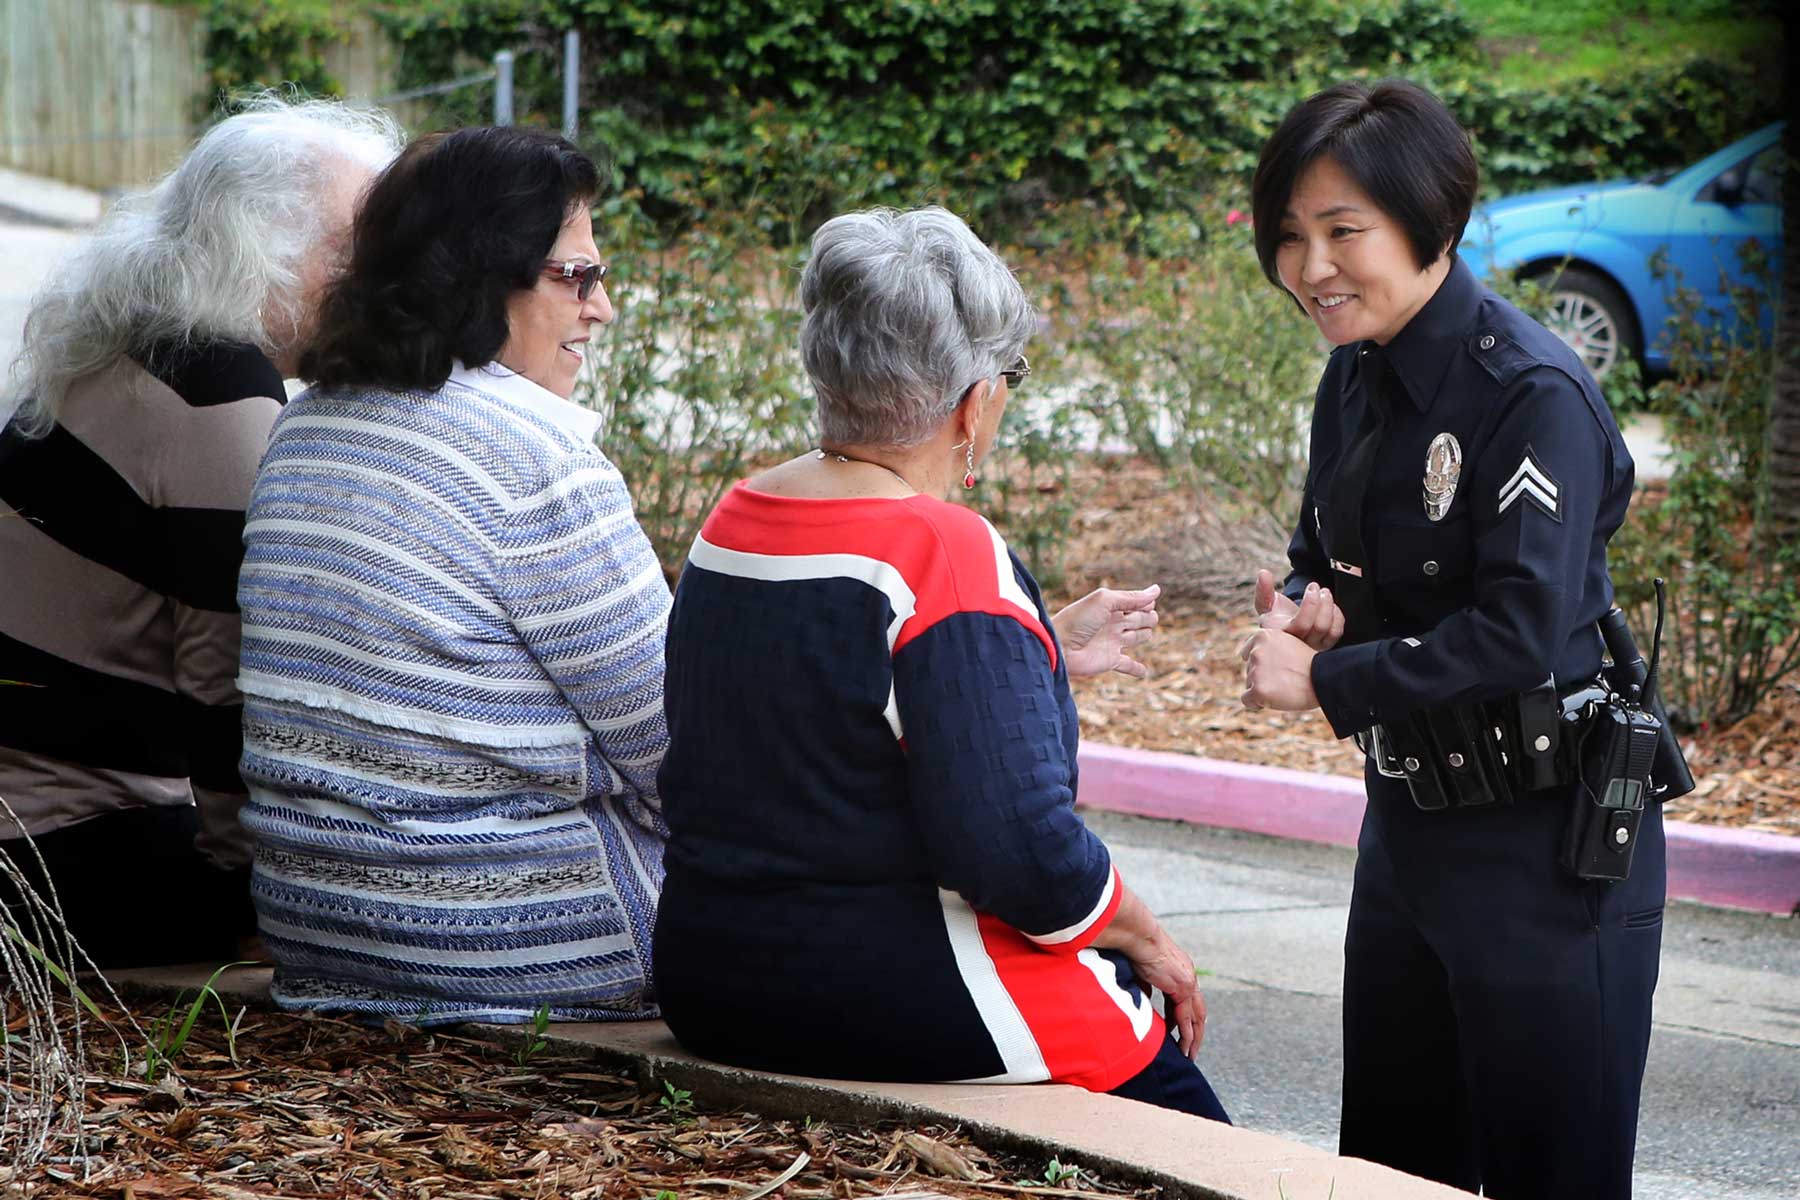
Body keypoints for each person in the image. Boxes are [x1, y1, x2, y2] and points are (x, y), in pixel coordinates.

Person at [653, 206, 1228, 1121]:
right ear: (974, 400)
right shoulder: (943, 552)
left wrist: (1034, 650)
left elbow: (819, 701)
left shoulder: (734, 523)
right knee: (1196, 1124)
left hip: (711, 977)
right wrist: (1148, 935)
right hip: (899, 992)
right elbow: (1019, 855)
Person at [1238, 80, 1663, 1198]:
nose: (1310, 266)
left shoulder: (1530, 393)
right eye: (1289, 235)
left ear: (1432, 219)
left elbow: (1522, 631)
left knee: (1550, 1176)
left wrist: (1329, 680)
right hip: (1410, 841)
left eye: (1341, 231)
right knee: (1391, 1171)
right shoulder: (1355, 376)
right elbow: (1322, 550)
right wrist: (1308, 603)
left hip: (1545, 850)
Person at [234, 126, 669, 1026]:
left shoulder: (304, 428)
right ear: (481, 276)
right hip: (533, 948)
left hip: (321, 936)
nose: (604, 308)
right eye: (578, 277)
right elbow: (683, 752)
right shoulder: (536, 461)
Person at [0, 98, 401, 968]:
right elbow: (229, 687)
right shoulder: (216, 392)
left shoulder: (132, 334)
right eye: (353, 245)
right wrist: (247, 899)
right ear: (267, 245)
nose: (376, 273)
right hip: (51, 856)